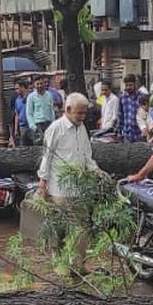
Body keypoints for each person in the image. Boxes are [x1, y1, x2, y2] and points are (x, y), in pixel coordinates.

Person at [37, 93, 101, 274]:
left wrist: (96, 171)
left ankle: (78, 264)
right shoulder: (55, 129)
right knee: (61, 227)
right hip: (59, 187)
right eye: (79, 113)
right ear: (68, 110)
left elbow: (87, 155)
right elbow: (47, 156)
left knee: (82, 227)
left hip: (79, 187)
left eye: (84, 114)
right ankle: (59, 262)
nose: (82, 117)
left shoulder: (82, 128)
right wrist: (43, 182)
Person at [26, 75, 56, 142]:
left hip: (48, 124)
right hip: (38, 125)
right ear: (34, 85)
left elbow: (52, 110)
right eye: (37, 84)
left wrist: (53, 123)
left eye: (41, 83)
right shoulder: (31, 97)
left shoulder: (49, 95)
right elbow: (29, 113)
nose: (39, 86)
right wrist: (33, 126)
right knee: (39, 144)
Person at [118, 75, 144, 143]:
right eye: (126, 85)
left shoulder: (141, 97)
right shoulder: (122, 97)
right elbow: (120, 115)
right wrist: (119, 131)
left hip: (139, 134)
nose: (128, 87)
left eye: (130, 85)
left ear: (135, 84)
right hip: (127, 134)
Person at [12, 80, 32, 146]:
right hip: (22, 126)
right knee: (24, 145)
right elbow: (17, 115)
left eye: (17, 88)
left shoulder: (30, 97)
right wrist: (15, 129)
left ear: (22, 87)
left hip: (31, 125)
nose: (16, 91)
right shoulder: (17, 100)